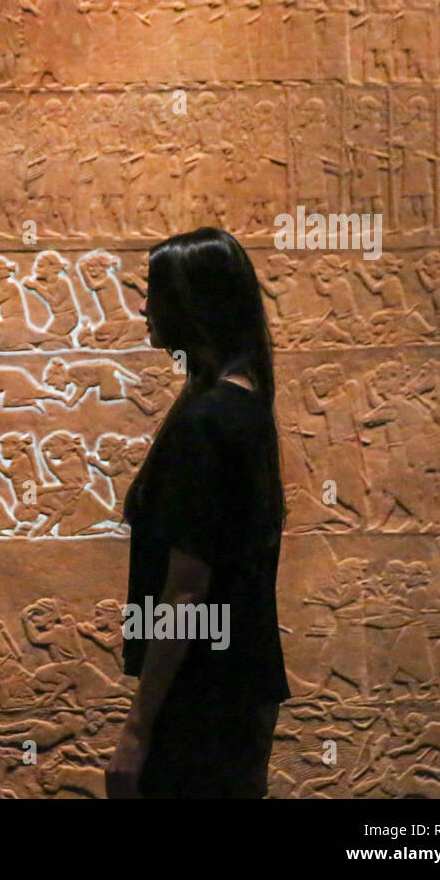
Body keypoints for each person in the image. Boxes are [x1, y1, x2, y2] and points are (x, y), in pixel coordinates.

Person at [107, 227, 290, 798]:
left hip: (202, 703)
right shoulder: (245, 406)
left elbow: (186, 592)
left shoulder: (207, 421)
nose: (143, 306)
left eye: (154, 291)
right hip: (237, 692)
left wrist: (137, 730)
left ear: (191, 304)